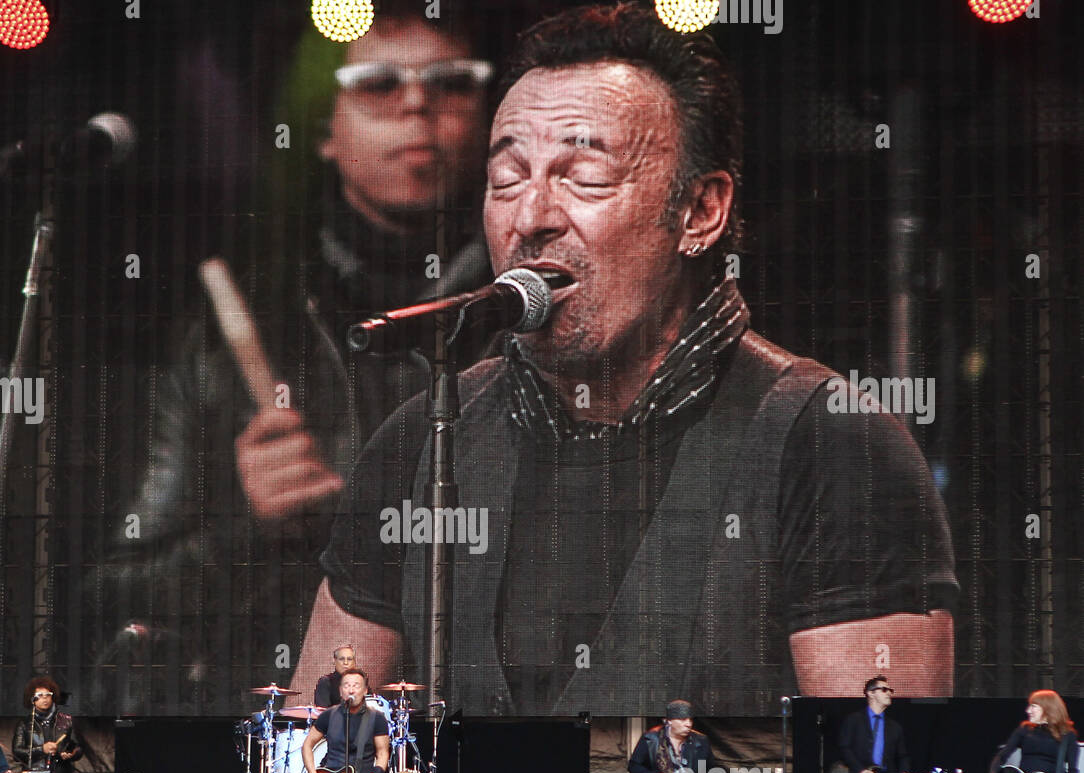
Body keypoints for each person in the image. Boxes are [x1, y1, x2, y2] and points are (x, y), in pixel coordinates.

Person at [292, 1, 957, 717]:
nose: (532, 215)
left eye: (584, 177)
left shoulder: (834, 444)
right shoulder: (422, 440)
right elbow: (312, 753)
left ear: (701, 211)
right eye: (508, 179)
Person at [98, 3, 494, 714]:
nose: (417, 103)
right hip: (291, 723)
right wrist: (247, 525)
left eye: (452, 83)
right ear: (322, 132)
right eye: (378, 84)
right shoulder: (228, 332)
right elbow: (111, 593)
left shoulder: (534, 319)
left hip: (486, 712)